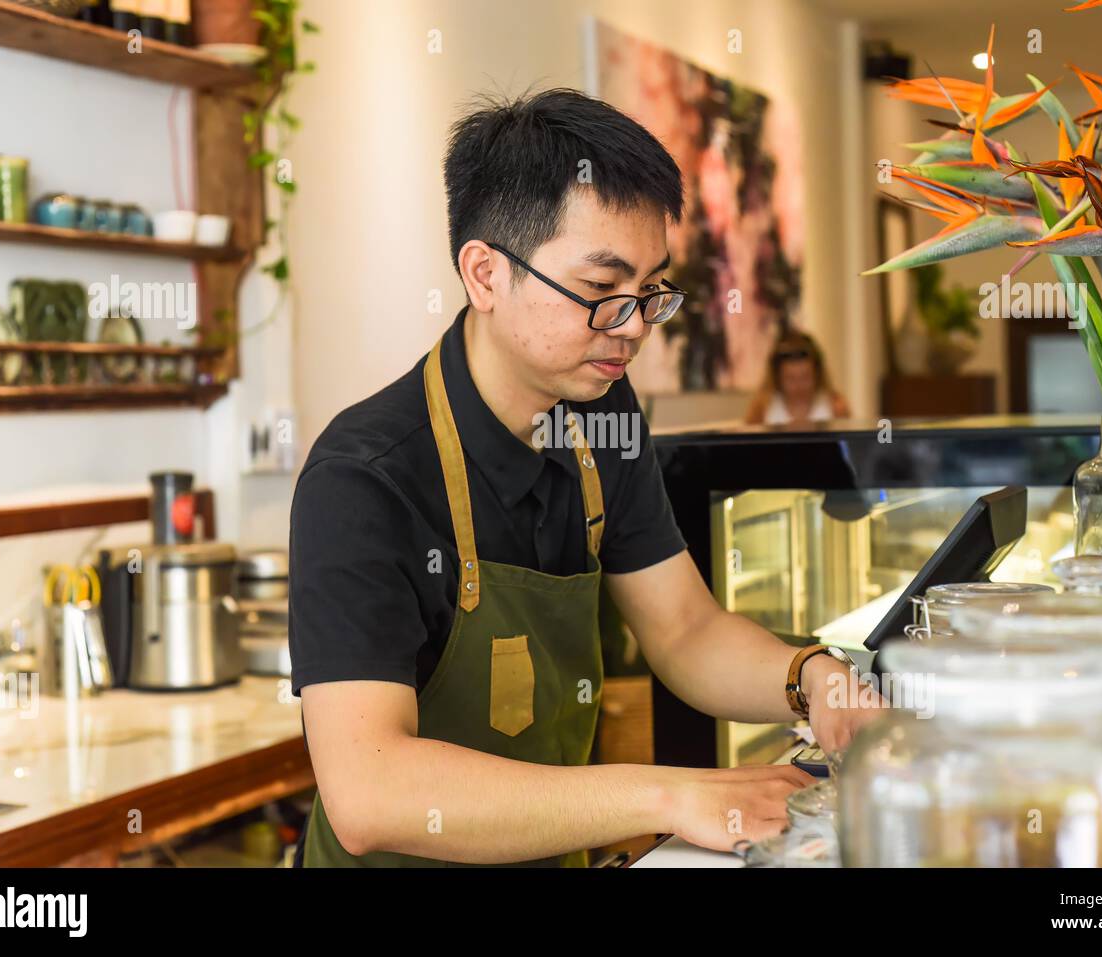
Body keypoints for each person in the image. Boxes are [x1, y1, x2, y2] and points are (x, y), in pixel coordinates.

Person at [288, 88, 883, 868]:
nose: (634, 325)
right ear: (484, 274)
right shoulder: (364, 478)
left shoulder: (601, 412)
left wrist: (812, 678)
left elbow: (684, 630)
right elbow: (371, 793)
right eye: (601, 291)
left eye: (648, 291)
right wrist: (673, 794)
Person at [744, 329, 851, 426]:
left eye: (805, 377)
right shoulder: (762, 407)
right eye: (790, 378)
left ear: (817, 374)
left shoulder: (836, 406)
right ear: (777, 377)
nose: (798, 385)